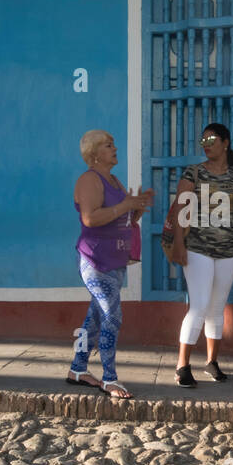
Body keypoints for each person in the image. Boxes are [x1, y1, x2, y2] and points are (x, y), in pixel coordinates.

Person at [167, 123, 233, 388]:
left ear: (225, 142)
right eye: (203, 140)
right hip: (197, 248)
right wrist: (178, 244)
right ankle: (182, 365)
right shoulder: (194, 172)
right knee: (198, 306)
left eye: (212, 139)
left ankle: (211, 361)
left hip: (230, 251)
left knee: (217, 308)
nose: (207, 144)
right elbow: (180, 209)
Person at [69, 130, 153, 399]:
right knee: (111, 316)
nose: (114, 148)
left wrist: (137, 207)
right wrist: (125, 205)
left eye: (114, 144)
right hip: (95, 262)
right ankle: (109, 378)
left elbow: (121, 218)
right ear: (94, 153)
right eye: (108, 145)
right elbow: (90, 219)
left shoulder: (114, 180)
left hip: (115, 260)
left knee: (94, 318)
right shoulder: (88, 180)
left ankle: (78, 369)